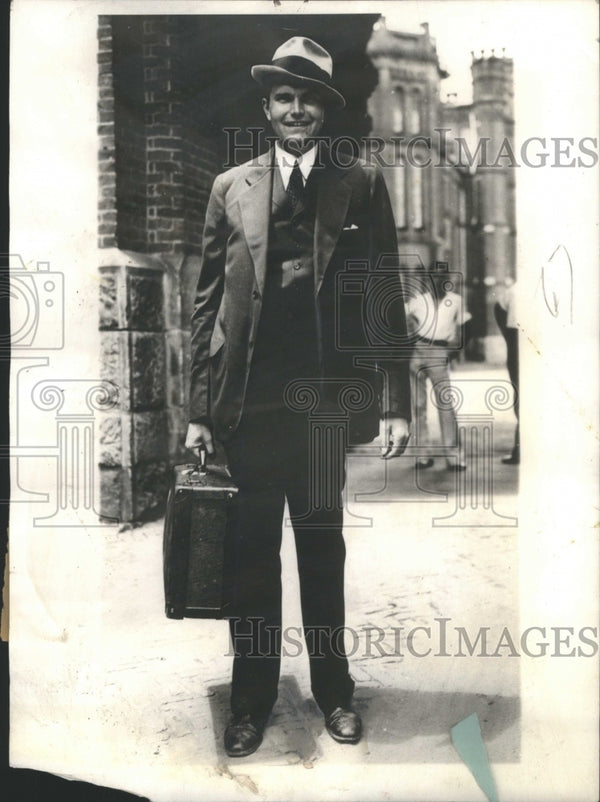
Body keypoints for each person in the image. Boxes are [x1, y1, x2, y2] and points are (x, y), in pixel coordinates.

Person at [185, 36, 411, 757]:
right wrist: (197, 409)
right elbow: (206, 300)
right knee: (251, 559)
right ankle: (249, 700)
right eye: (283, 96)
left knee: (321, 549)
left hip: (319, 406)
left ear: (325, 110)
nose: (295, 109)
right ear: (267, 107)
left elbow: (383, 291)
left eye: (309, 97)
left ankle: (334, 692)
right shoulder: (231, 186)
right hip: (246, 404)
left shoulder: (361, 183)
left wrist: (399, 399)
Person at [405, 269, 471, 471]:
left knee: (445, 404)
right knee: (418, 405)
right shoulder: (418, 300)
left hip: (440, 350)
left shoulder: (456, 301)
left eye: (443, 276)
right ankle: (422, 456)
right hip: (417, 350)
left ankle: (454, 457)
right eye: (434, 276)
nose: (438, 280)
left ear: (448, 280)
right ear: (428, 279)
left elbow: (464, 326)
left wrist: (455, 349)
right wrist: (409, 334)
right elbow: (401, 317)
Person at [494, 279, 519, 464]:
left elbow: (498, 309)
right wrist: (508, 338)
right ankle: (520, 449)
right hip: (518, 342)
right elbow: (499, 308)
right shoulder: (514, 290)